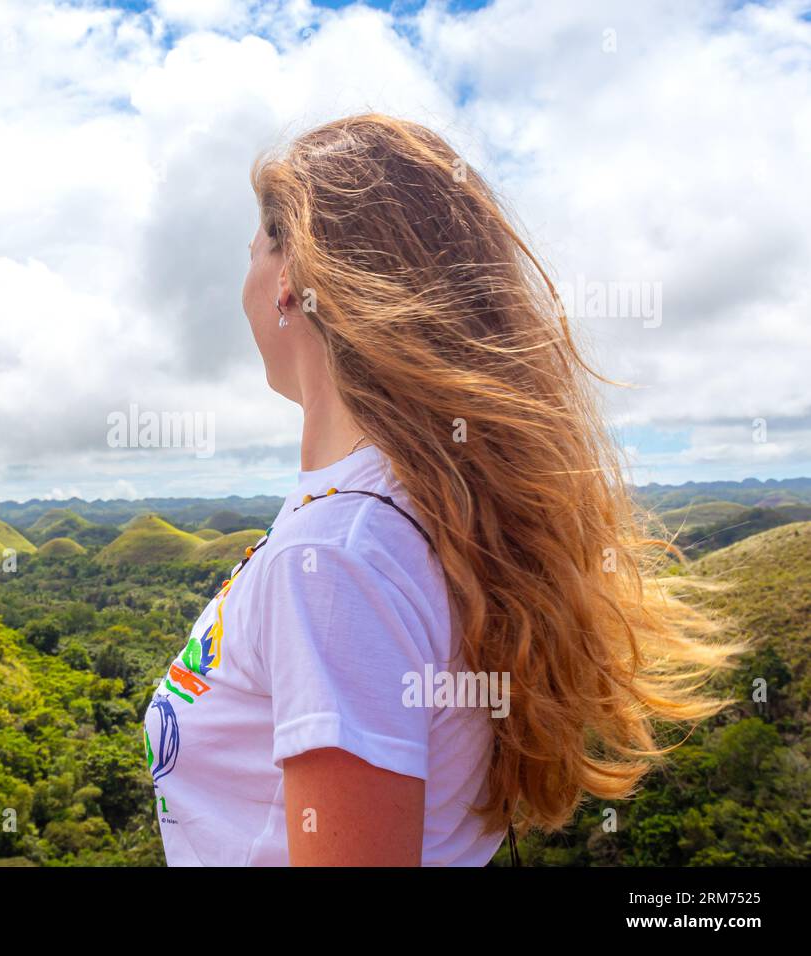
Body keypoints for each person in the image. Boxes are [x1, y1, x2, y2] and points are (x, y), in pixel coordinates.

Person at [142, 113, 742, 867]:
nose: (245, 281)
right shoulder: (417, 508)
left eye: (255, 249)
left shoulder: (337, 557)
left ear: (290, 281)